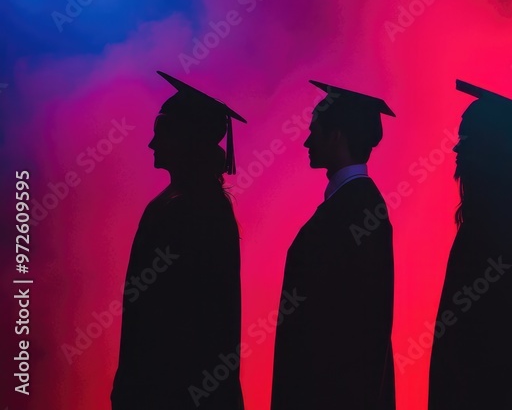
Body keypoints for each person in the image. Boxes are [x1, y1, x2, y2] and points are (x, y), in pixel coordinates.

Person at [112, 71, 246, 410]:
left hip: (172, 390)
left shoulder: (191, 209)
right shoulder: (196, 204)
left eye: (162, 134)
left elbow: (178, 320)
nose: (152, 144)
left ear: (187, 140)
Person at [428, 80, 512, 410]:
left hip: (489, 389)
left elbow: (495, 325)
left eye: (465, 138)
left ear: (487, 144)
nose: (457, 149)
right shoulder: (506, 200)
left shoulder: (502, 209)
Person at [271, 80, 396, 410]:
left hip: (332, 393)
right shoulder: (355, 204)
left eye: (316, 130)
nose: (307, 141)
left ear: (337, 135)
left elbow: (359, 325)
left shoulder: (358, 209)